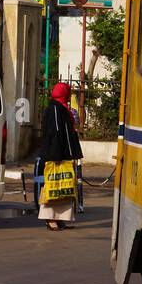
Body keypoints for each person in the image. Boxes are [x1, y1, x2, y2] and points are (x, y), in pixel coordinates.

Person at [38, 81, 82, 231]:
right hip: (55, 155)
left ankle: (60, 219)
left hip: (62, 154)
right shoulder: (56, 109)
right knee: (53, 187)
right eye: (68, 93)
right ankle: (50, 219)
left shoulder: (61, 107)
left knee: (64, 187)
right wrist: (56, 155)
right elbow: (56, 132)